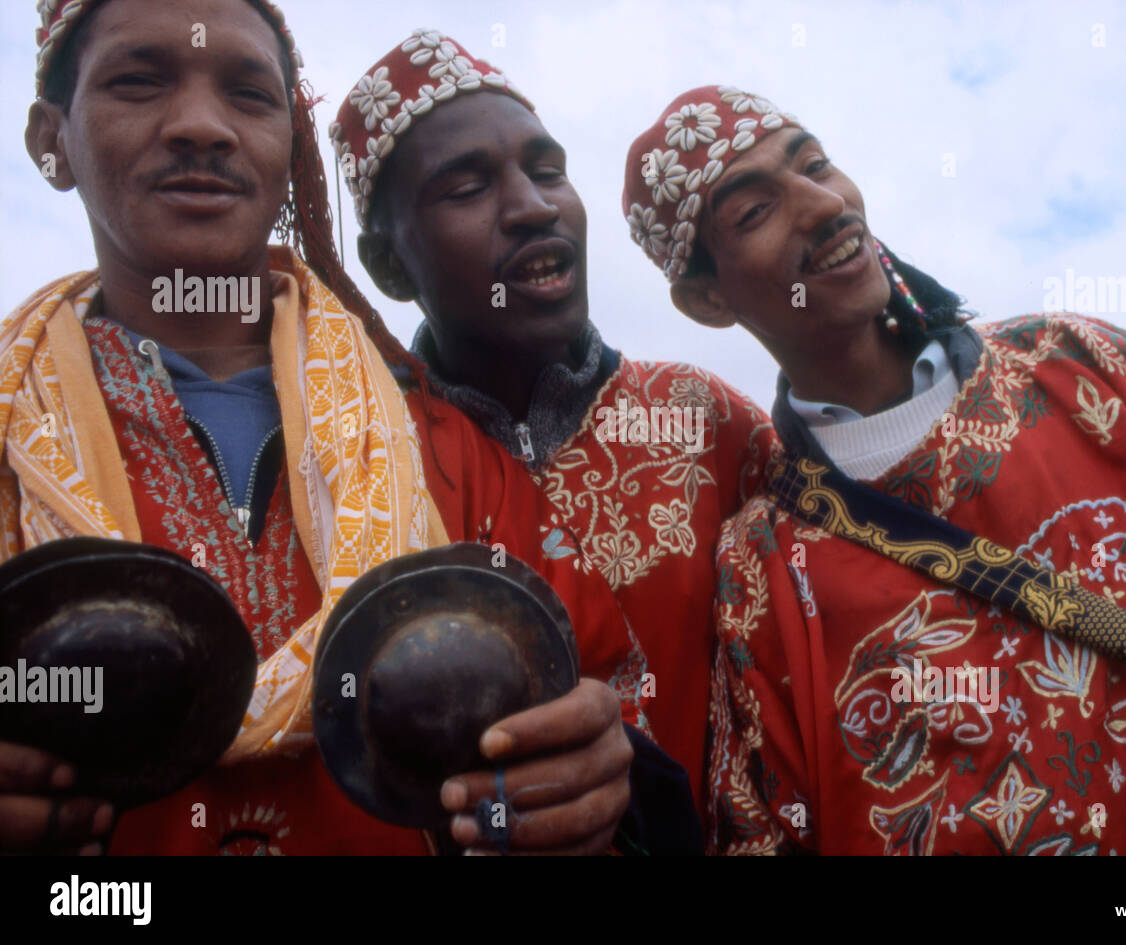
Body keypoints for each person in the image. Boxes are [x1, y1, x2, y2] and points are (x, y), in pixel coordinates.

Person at [0, 0, 649, 856]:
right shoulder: (12, 425)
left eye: (248, 94)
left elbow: (599, 712)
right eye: (139, 81)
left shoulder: (449, 455)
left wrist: (584, 798)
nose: (201, 125)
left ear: (290, 151)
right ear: (51, 140)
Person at [621, 85, 1126, 854]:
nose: (824, 205)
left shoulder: (1075, 365)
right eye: (755, 212)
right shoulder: (761, 571)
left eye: (816, 165)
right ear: (707, 298)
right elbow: (763, 830)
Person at [330, 30, 777, 817]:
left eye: (547, 172)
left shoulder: (707, 421)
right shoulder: (359, 459)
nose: (535, 208)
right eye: (467, 188)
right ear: (388, 265)